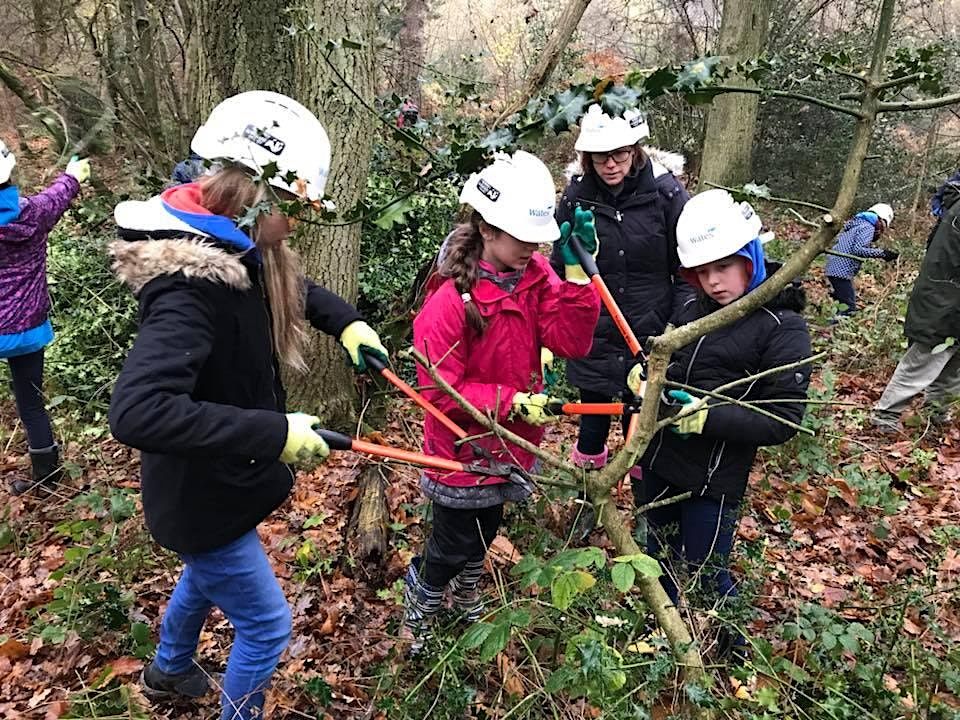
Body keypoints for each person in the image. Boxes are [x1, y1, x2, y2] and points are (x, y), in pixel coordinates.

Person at [107, 91, 389, 719]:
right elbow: (137, 411)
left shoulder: (233, 248)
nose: (292, 223)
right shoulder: (188, 287)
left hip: (218, 490)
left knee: (203, 578)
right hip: (201, 496)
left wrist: (346, 324)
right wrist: (275, 433)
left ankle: (168, 670)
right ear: (249, 192)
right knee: (266, 627)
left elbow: (288, 284)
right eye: (288, 207)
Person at [405, 150, 601, 651]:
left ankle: (465, 596)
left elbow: (570, 342)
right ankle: (421, 611)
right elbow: (435, 390)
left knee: (487, 531)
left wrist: (579, 282)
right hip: (460, 449)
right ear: (488, 229)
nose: (533, 247)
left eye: (539, 239)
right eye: (522, 237)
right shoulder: (450, 300)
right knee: (451, 544)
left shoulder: (537, 276)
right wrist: (508, 400)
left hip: (512, 443)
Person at [631, 189, 812, 660]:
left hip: (713, 478)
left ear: (750, 255)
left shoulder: (781, 325)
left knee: (707, 568)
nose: (713, 282)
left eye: (724, 267)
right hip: (659, 459)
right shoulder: (689, 307)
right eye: (703, 271)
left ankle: (732, 654)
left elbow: (783, 419)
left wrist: (707, 417)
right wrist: (640, 373)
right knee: (659, 553)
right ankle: (665, 632)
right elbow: (662, 352)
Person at [550, 104, 689, 537]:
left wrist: (674, 329)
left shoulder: (666, 194)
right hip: (594, 330)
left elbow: (688, 268)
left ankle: (649, 519)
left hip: (650, 331)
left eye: (620, 154)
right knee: (592, 421)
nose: (610, 164)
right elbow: (559, 264)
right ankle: (586, 503)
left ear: (636, 150)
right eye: (600, 156)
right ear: (586, 157)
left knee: (642, 425)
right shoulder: (575, 196)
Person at [0, 140, 91, 494]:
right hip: (28, 331)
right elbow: (62, 190)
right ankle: (47, 477)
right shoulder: (34, 214)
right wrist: (74, 172)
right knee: (31, 402)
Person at [870, 180, 960, 433]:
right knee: (923, 362)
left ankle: (936, 414)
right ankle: (886, 415)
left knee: (952, 367)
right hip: (944, 303)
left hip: (949, 300)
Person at [824, 203, 898, 317]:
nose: (881, 231)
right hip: (841, 270)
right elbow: (858, 249)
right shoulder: (868, 226)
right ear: (880, 219)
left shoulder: (857, 224)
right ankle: (833, 329)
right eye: (883, 226)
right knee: (849, 307)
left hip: (834, 266)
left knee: (841, 303)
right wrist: (883, 253)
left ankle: (832, 326)